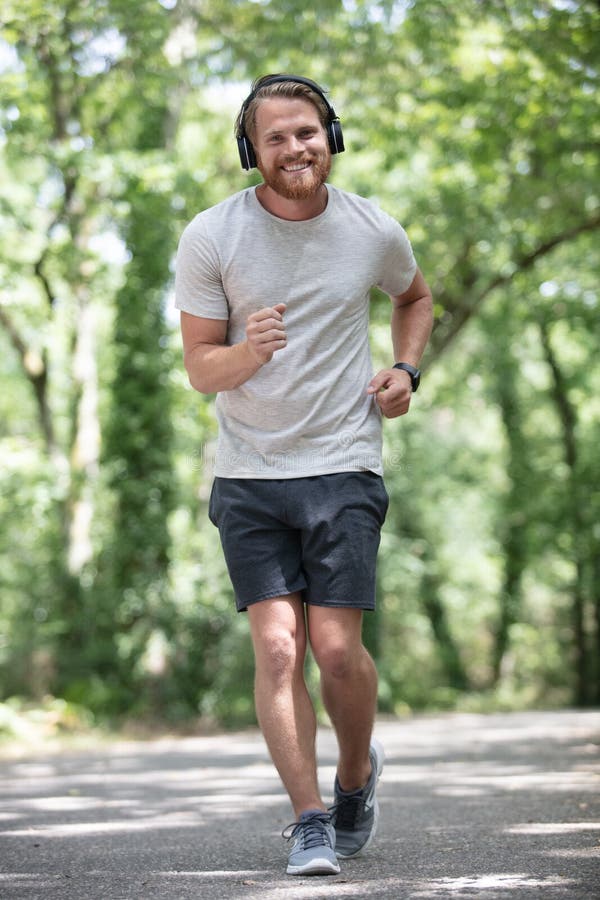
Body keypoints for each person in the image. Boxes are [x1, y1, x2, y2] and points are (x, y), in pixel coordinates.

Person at [175, 74, 433, 877]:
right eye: (276, 136)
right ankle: (310, 817)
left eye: (308, 130)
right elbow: (200, 369)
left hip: (343, 462)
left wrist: (406, 370)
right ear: (251, 149)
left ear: (333, 134)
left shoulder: (370, 228)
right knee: (280, 650)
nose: (296, 147)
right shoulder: (212, 236)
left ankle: (354, 779)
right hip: (250, 472)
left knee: (336, 649)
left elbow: (415, 297)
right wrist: (249, 352)